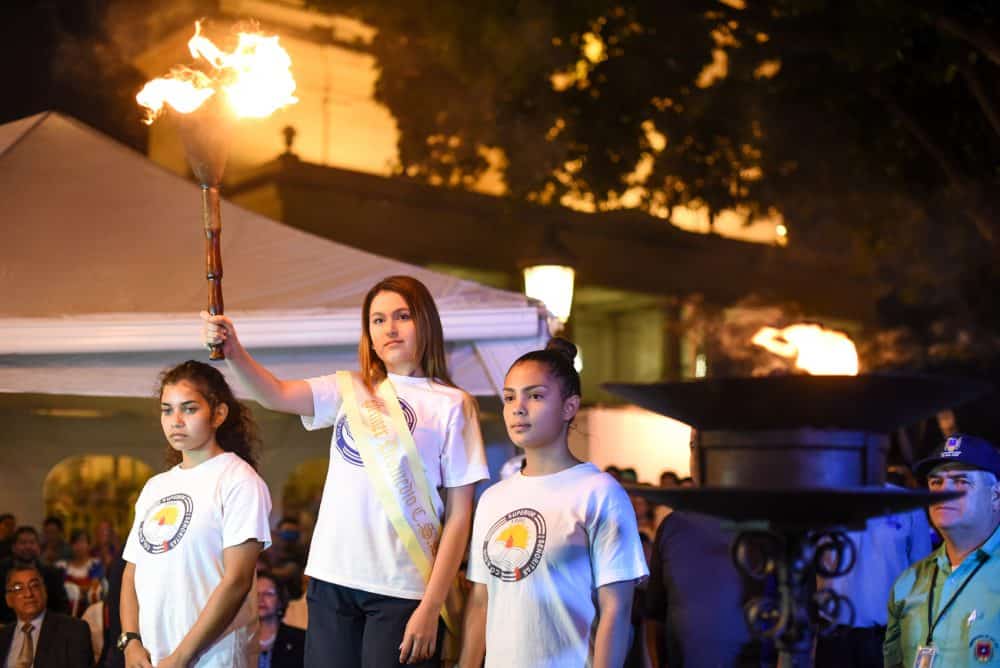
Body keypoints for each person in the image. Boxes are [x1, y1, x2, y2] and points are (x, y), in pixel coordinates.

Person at [203, 275, 489, 667]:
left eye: (402, 316)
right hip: (331, 576)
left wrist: (431, 603)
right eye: (377, 320)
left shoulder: (454, 405)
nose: (389, 328)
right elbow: (275, 394)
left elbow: (460, 517)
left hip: (404, 586)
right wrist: (234, 351)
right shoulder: (350, 389)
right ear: (368, 334)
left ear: (425, 322)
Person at [459, 338, 649, 667]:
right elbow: (480, 602)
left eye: (535, 396)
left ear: (569, 407)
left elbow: (616, 611)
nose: (518, 408)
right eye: (509, 397)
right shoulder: (493, 498)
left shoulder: (599, 492)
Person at [120, 360, 272, 668]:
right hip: (153, 656)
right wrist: (130, 640)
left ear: (218, 414)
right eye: (167, 409)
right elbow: (131, 573)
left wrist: (181, 657)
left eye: (189, 409)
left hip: (214, 658)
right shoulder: (155, 486)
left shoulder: (238, 479)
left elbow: (237, 580)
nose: (175, 420)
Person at [884, 434, 1000, 667]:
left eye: (961, 481)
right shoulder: (908, 583)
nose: (942, 491)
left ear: (996, 495)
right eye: (935, 482)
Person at [815, 481, 932, 668]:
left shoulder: (907, 503)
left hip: (888, 637)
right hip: (832, 635)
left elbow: (923, 574)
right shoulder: (820, 500)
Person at [1, 563, 92, 667]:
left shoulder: (73, 630)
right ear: (9, 600)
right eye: (19, 588)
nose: (28, 594)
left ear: (45, 591)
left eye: (34, 585)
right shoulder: (3, 636)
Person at [0, 526, 71, 623]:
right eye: (23, 543)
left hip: (45, 628)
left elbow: (62, 608)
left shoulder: (52, 573)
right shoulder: (2, 571)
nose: (28, 546)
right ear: (13, 547)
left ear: (38, 547)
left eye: (32, 543)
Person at [257, 570, 305, 668]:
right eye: (256, 594)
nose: (260, 599)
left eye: (268, 594)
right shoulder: (240, 639)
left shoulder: (300, 639)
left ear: (280, 600)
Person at [56, 528, 105, 617]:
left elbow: (94, 586)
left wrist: (74, 589)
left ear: (89, 545)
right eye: (75, 542)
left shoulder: (95, 565)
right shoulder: (62, 566)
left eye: (82, 542)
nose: (79, 546)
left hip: (89, 612)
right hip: (65, 612)